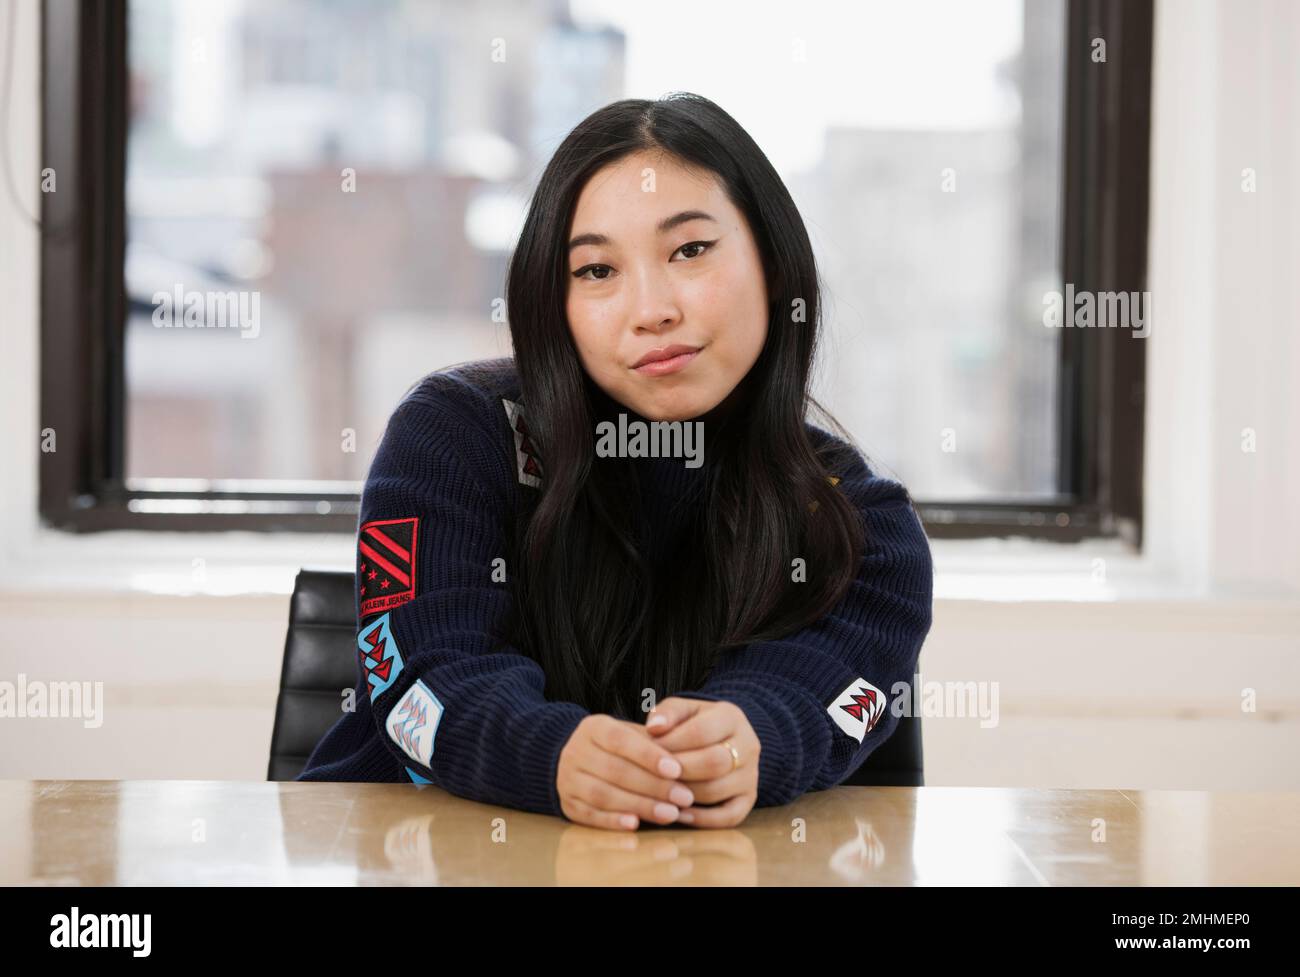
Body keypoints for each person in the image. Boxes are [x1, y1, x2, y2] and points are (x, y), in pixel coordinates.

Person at [297, 92, 934, 831]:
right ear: (553, 300)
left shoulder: (862, 527)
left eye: (691, 250)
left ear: (774, 262)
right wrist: (553, 754)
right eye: (597, 270)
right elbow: (423, 687)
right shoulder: (453, 439)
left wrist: (744, 738)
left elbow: (819, 695)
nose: (652, 308)